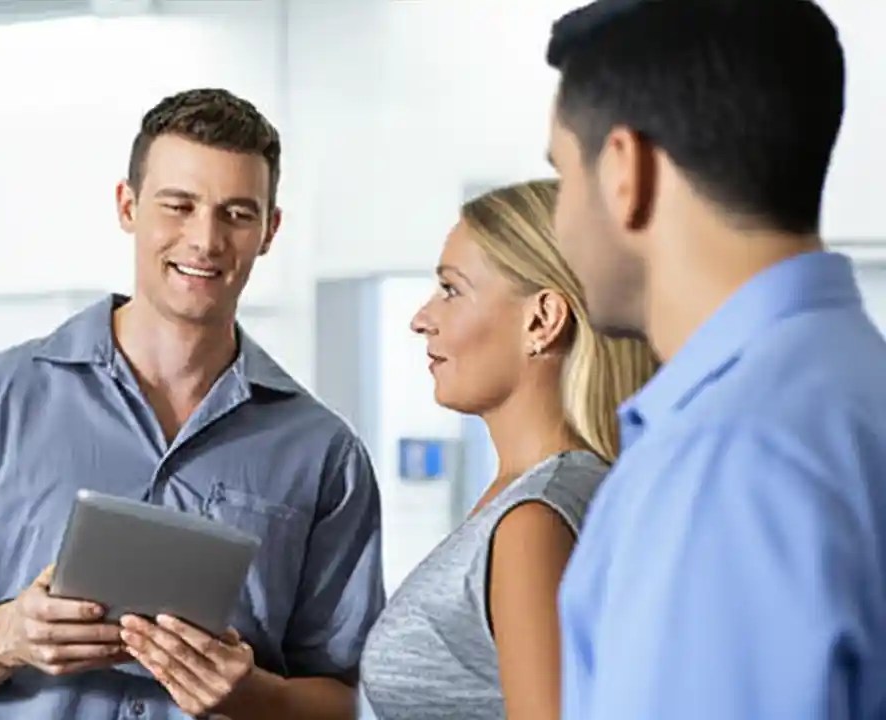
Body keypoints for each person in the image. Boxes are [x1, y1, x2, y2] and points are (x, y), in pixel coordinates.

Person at [0, 88, 385, 719]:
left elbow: (346, 701)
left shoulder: (323, 453)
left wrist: (254, 696)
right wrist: (9, 637)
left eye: (237, 214)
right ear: (127, 206)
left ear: (270, 231)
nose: (206, 240)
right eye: (179, 205)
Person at [544, 1, 886, 718]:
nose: (559, 220)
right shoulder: (854, 386)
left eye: (560, 176)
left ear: (623, 170)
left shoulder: (723, 461)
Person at [358, 180, 657, 720]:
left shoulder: (534, 521)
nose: (421, 318)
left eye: (451, 290)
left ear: (541, 321)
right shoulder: (559, 496)